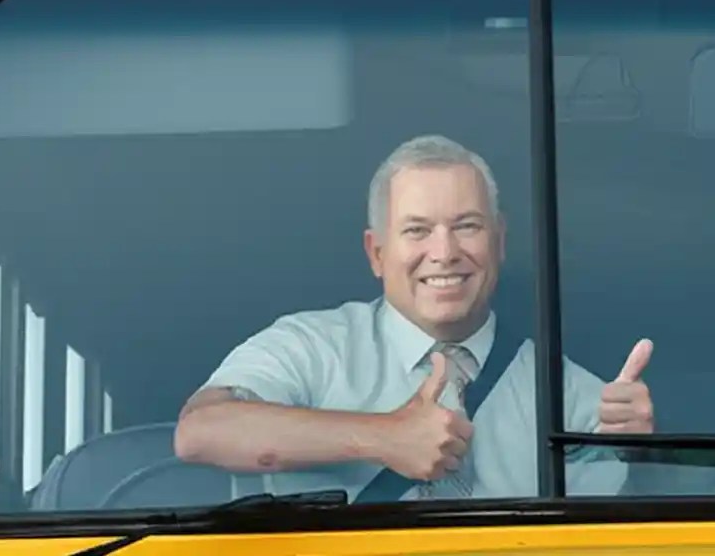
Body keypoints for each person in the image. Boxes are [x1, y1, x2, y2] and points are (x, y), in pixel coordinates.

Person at [173, 134, 656, 501]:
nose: (444, 253)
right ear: (377, 252)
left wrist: (635, 458)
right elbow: (202, 431)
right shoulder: (308, 348)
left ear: (499, 241)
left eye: (466, 226)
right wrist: (384, 437)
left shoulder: (575, 399)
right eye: (417, 230)